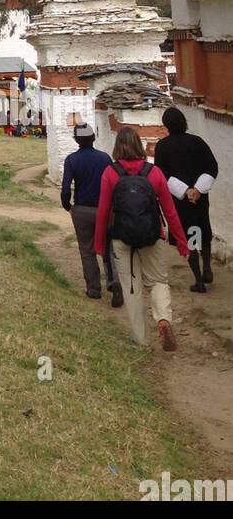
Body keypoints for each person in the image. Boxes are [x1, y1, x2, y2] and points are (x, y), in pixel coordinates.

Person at [94, 127, 189, 351]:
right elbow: (170, 211)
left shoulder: (110, 172)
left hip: (122, 238)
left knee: (132, 288)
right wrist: (182, 243)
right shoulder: (154, 173)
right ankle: (163, 318)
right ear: (139, 145)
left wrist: (99, 244)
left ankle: (141, 339)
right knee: (158, 281)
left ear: (118, 146)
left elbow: (104, 211)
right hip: (152, 236)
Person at [154, 107, 219, 293]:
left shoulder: (162, 147)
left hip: (180, 201)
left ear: (166, 125)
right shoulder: (197, 142)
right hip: (200, 198)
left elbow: (161, 175)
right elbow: (211, 166)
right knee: (203, 229)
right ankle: (207, 267)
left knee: (190, 235)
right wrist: (198, 189)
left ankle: (198, 280)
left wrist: (186, 191)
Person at [60, 117, 123, 307]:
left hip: (81, 209)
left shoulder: (72, 160)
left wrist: (68, 205)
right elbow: (114, 183)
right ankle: (114, 283)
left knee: (86, 250)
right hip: (104, 209)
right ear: (94, 137)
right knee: (107, 248)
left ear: (76, 140)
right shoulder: (104, 158)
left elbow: (65, 188)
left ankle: (94, 289)